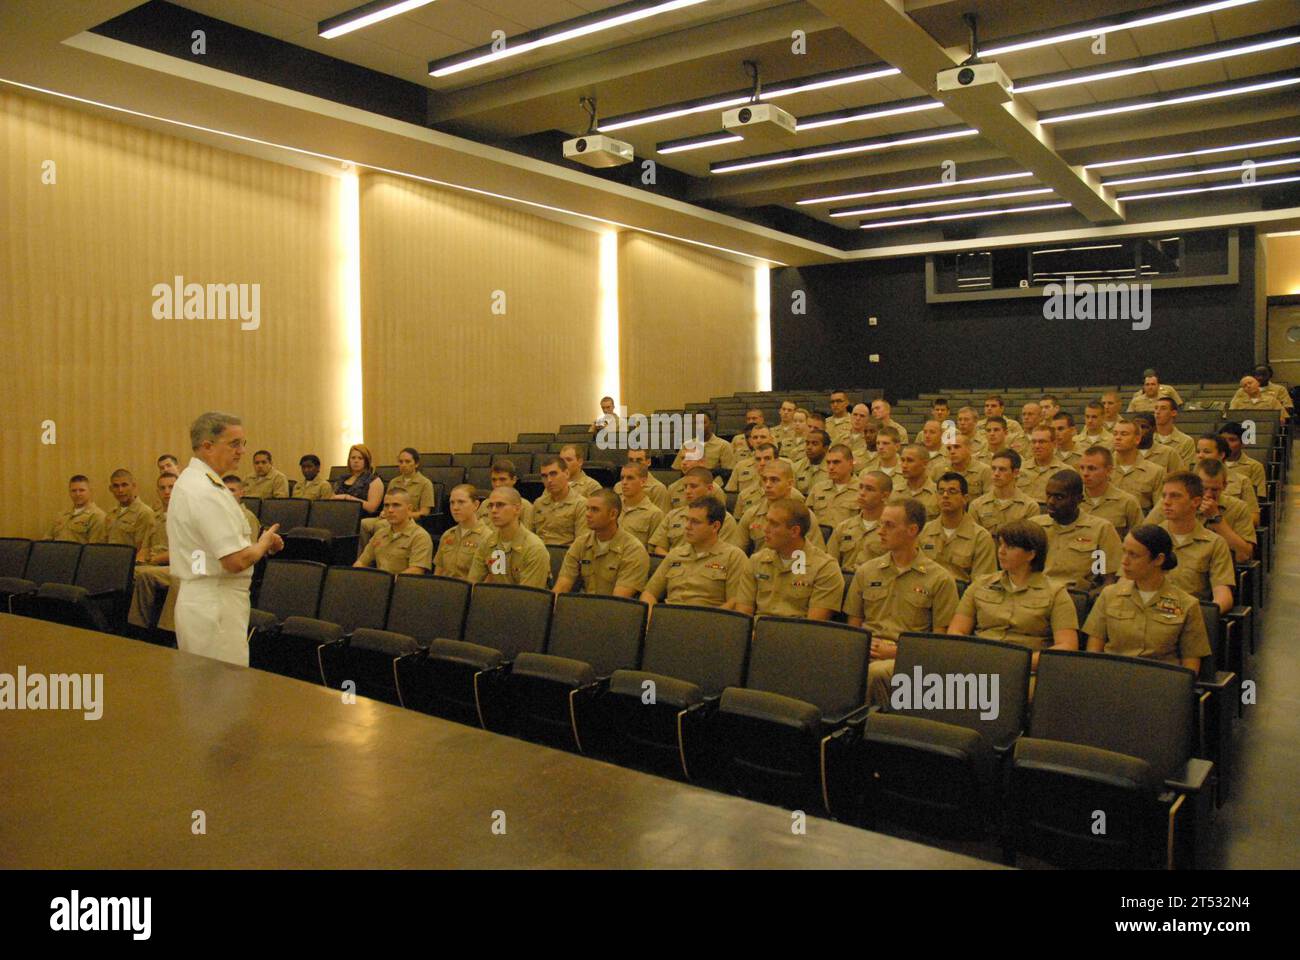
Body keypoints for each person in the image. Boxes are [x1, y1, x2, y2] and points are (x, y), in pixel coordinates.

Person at [168, 412, 284, 666]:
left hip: (206, 600)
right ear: (207, 447)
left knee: (206, 693)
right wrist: (264, 542)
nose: (242, 451)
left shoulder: (194, 482)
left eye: (243, 443)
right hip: (216, 604)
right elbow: (235, 561)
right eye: (234, 444)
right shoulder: (205, 491)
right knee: (223, 692)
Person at [842, 499, 959, 707]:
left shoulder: (939, 579)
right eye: (880, 524)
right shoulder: (866, 571)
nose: (881, 531)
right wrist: (861, 645)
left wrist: (898, 651)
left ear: (912, 530)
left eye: (889, 525)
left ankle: (865, 731)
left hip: (909, 657)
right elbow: (854, 623)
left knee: (876, 673)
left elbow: (940, 641)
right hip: (866, 648)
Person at [947, 520, 1079, 674]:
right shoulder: (980, 584)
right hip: (978, 666)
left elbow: (1067, 646)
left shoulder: (1056, 593)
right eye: (1001, 544)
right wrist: (975, 658)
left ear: (1031, 554)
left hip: (1026, 672)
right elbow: (956, 631)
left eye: (1009, 547)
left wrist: (1018, 663)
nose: (1001, 551)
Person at [1083, 525, 1210, 672]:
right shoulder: (1109, 595)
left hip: (1160, 685)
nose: (1124, 561)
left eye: (1134, 555)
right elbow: (1093, 653)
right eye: (1124, 552)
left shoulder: (1187, 604)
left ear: (1158, 560)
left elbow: (1191, 665)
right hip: (1114, 679)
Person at [640, 498, 752, 611]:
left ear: (715, 526)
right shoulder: (675, 554)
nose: (687, 526)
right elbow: (649, 593)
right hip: (669, 618)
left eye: (695, 522)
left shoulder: (733, 556)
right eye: (687, 520)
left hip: (706, 621)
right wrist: (650, 620)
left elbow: (734, 601)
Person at [746, 499, 843, 620]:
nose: (765, 529)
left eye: (774, 524)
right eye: (766, 521)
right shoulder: (756, 561)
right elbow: (744, 619)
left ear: (794, 531)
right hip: (757, 633)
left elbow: (814, 627)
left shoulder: (825, 568)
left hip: (797, 635)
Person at [1143, 460, 1255, 564]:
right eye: (1204, 489)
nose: (1208, 494)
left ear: (1224, 485)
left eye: (1215, 489)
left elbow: (1245, 554)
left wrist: (1216, 519)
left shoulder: (1238, 507)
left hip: (1218, 566)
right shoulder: (1171, 503)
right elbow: (1144, 538)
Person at [1155, 473, 1237, 615]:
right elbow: (1126, 584)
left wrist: (1201, 616)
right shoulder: (1151, 537)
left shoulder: (1214, 544)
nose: (1166, 502)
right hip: (1150, 617)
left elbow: (1223, 595)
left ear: (1195, 501)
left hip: (1191, 617)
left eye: (1175, 496)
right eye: (1164, 496)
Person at [1032, 471, 1122, 593]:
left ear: (1079, 499)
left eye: (1059, 497)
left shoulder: (1101, 529)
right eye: (1048, 495)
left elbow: (1110, 579)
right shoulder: (1035, 526)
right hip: (1037, 592)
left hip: (1077, 595)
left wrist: (1093, 599)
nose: (1051, 502)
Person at [554, 490, 649, 597]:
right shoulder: (580, 543)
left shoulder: (633, 550)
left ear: (613, 514)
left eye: (595, 510)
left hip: (613, 611)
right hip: (583, 607)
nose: (587, 514)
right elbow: (562, 586)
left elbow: (618, 601)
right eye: (587, 509)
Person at [918, 472, 997, 584]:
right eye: (941, 491)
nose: (945, 495)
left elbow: (982, 585)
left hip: (963, 595)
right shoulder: (924, 532)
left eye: (952, 491)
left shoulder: (980, 537)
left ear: (965, 498)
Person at [731, 461, 824, 554]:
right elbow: (736, 553)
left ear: (790, 484)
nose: (767, 485)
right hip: (760, 566)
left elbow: (817, 556)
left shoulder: (804, 516)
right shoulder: (751, 515)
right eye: (764, 480)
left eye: (774, 480)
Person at [468, 487, 550, 587]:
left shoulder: (534, 548)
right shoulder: (487, 544)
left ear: (517, 509)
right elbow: (472, 584)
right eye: (491, 505)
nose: (493, 510)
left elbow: (529, 597)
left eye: (500, 505)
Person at [127, 473, 177, 631]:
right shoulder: (154, 517)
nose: (167, 492)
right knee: (122, 572)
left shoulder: (186, 516)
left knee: (145, 575)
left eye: (171, 487)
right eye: (162, 488)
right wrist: (140, 559)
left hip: (173, 564)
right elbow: (145, 548)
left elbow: (190, 552)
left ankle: (139, 627)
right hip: (152, 562)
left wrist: (158, 559)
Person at [650, 467, 739, 555]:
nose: (687, 491)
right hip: (675, 565)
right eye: (685, 487)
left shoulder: (725, 519)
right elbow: (659, 547)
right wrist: (676, 561)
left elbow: (724, 553)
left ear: (710, 489)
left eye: (693, 486)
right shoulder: (672, 515)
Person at [361, 447, 435, 549]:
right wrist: (384, 512)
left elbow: (425, 512)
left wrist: (404, 515)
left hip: (410, 521)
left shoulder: (425, 483)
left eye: (407, 461)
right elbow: (386, 505)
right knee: (364, 523)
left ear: (416, 464)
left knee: (380, 525)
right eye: (401, 462)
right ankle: (366, 555)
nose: (403, 465)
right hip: (389, 517)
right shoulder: (394, 482)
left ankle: (381, 555)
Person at [354, 489, 434, 576]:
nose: (390, 510)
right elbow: (361, 563)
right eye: (386, 505)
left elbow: (415, 572)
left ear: (409, 509)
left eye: (396, 505)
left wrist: (385, 582)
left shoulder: (420, 537)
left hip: (402, 586)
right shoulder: (380, 534)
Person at [827, 470, 891, 574]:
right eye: (860, 487)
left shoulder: (891, 530)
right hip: (845, 582)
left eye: (869, 489)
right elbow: (829, 565)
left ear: (884, 496)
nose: (862, 493)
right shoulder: (843, 527)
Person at [1077, 446, 1143, 541]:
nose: (1085, 473)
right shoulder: (1072, 500)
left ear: (1108, 471)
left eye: (1092, 468)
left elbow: (1139, 540)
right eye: (1082, 468)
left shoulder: (1127, 502)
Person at [969, 450, 1040, 532]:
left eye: (1002, 469)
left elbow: (1030, 541)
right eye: (993, 468)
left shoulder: (1030, 507)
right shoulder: (977, 506)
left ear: (1015, 473)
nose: (996, 473)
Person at [529, 455, 588, 546]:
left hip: (565, 556)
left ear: (567, 474)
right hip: (540, 554)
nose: (549, 480)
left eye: (553, 474)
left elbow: (581, 544)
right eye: (544, 476)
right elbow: (530, 537)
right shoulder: (538, 503)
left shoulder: (581, 504)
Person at [434, 484, 489, 579]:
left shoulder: (489, 538)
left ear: (476, 505)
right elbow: (439, 571)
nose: (455, 508)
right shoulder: (448, 535)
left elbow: (493, 578)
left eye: (461, 502)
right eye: (452, 502)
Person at [1110, 419, 1165, 511]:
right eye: (1115, 434)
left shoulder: (1155, 472)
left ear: (1137, 439)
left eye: (1124, 434)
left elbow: (1159, 509)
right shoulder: (1102, 469)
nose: (1118, 438)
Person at [1017, 427, 1075, 503]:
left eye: (1042, 442)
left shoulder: (1066, 472)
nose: (1037, 446)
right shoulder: (1019, 469)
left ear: (1054, 444)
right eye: (1034, 442)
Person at [808, 443, 859, 527]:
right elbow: (808, 520)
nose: (831, 467)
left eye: (836, 462)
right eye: (828, 463)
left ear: (850, 464)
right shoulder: (818, 489)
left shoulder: (861, 490)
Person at [104, 469, 156, 553]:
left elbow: (143, 549)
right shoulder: (111, 514)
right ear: (111, 489)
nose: (120, 490)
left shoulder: (144, 513)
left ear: (133, 486)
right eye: (116, 486)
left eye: (124, 485)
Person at [928, 432, 991, 499]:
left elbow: (987, 500)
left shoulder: (984, 471)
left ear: (969, 449)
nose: (952, 451)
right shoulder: (938, 470)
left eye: (956, 447)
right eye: (949, 448)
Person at [616, 462, 664, 548]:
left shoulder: (654, 514)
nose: (624, 482)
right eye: (622, 478)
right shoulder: (614, 507)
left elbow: (653, 551)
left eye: (630, 478)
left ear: (643, 482)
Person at [476, 459, 535, 529]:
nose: (497, 484)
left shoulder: (524, 506)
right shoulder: (485, 504)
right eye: (494, 480)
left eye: (502, 479)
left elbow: (526, 536)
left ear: (514, 480)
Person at [1216, 421, 1267, 501]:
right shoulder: (1211, 464)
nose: (1226, 444)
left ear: (1243, 443)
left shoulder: (1254, 467)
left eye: (1232, 440)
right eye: (1223, 440)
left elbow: (1257, 500)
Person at [48, 475, 107, 543]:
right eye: (73, 491)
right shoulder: (61, 515)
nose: (77, 494)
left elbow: (94, 548)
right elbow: (47, 540)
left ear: (90, 491)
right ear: (69, 492)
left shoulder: (98, 516)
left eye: (82, 490)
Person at [669, 413, 735, 471]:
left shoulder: (723, 445)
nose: (700, 426)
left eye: (703, 422)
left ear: (711, 424)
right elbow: (676, 469)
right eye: (697, 423)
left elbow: (728, 472)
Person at [332, 443, 384, 517]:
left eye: (360, 458)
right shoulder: (341, 479)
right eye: (353, 458)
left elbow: (372, 508)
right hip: (339, 514)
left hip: (361, 516)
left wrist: (347, 498)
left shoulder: (374, 480)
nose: (356, 461)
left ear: (366, 461)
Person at [891, 444, 940, 520]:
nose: (904, 465)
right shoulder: (894, 492)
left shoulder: (938, 494)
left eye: (910, 460)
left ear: (925, 464)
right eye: (902, 460)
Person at [1151, 398, 1195, 465]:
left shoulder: (1186, 441)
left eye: (1163, 408)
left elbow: (1186, 470)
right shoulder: (1147, 439)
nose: (1157, 412)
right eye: (1156, 408)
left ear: (1173, 413)